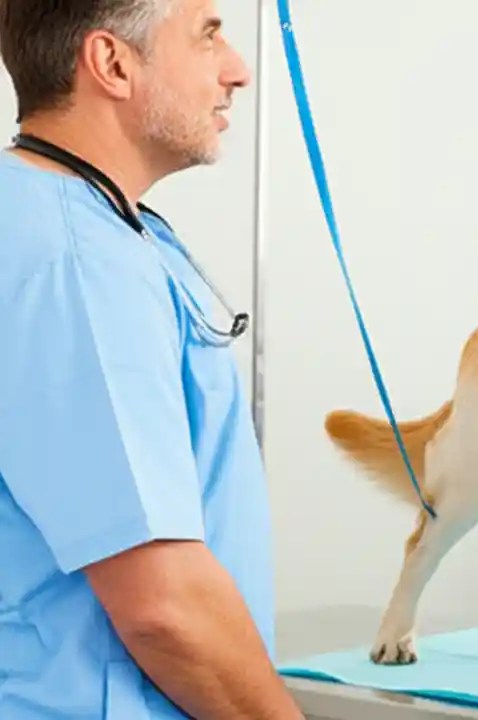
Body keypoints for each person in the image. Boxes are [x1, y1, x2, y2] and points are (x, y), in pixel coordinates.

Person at [0, 1, 302, 717]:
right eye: (207, 36)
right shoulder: (74, 262)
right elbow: (163, 608)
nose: (238, 71)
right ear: (111, 63)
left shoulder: (72, 226)